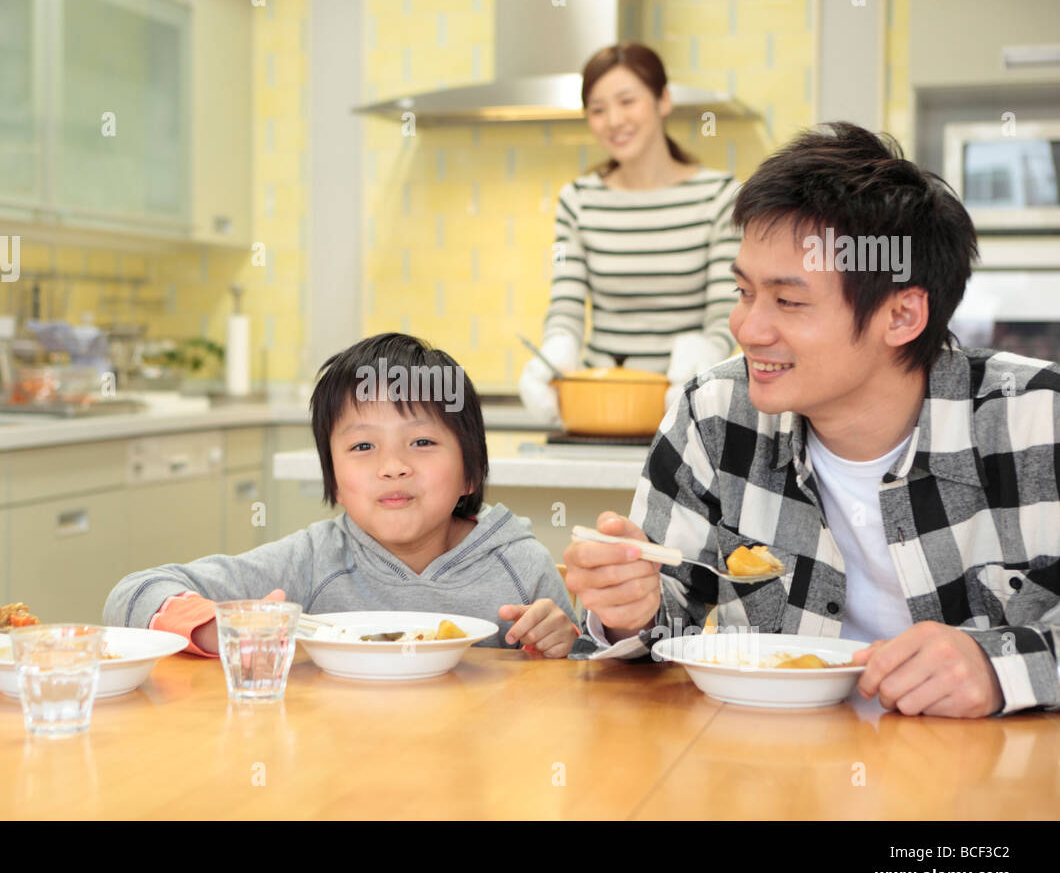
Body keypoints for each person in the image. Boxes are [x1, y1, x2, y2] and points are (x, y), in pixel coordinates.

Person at [564, 121, 1060, 718]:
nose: (748, 329)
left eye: (789, 301)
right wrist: (629, 607)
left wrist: (999, 668)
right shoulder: (715, 414)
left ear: (901, 316)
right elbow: (665, 622)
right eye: (745, 292)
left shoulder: (1035, 418)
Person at [105, 333, 579, 657]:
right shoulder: (313, 561)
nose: (393, 466)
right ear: (332, 474)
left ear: (471, 471)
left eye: (422, 442)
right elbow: (131, 595)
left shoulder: (522, 568)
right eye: (362, 446)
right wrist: (221, 629)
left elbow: (592, 677)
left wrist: (562, 645)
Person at [520, 42, 741, 423]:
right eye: (597, 109)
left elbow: (725, 314)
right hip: (599, 408)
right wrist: (557, 350)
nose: (613, 120)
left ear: (663, 100)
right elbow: (566, 307)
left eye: (627, 101)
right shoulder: (578, 200)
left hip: (691, 410)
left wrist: (704, 358)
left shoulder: (720, 197)